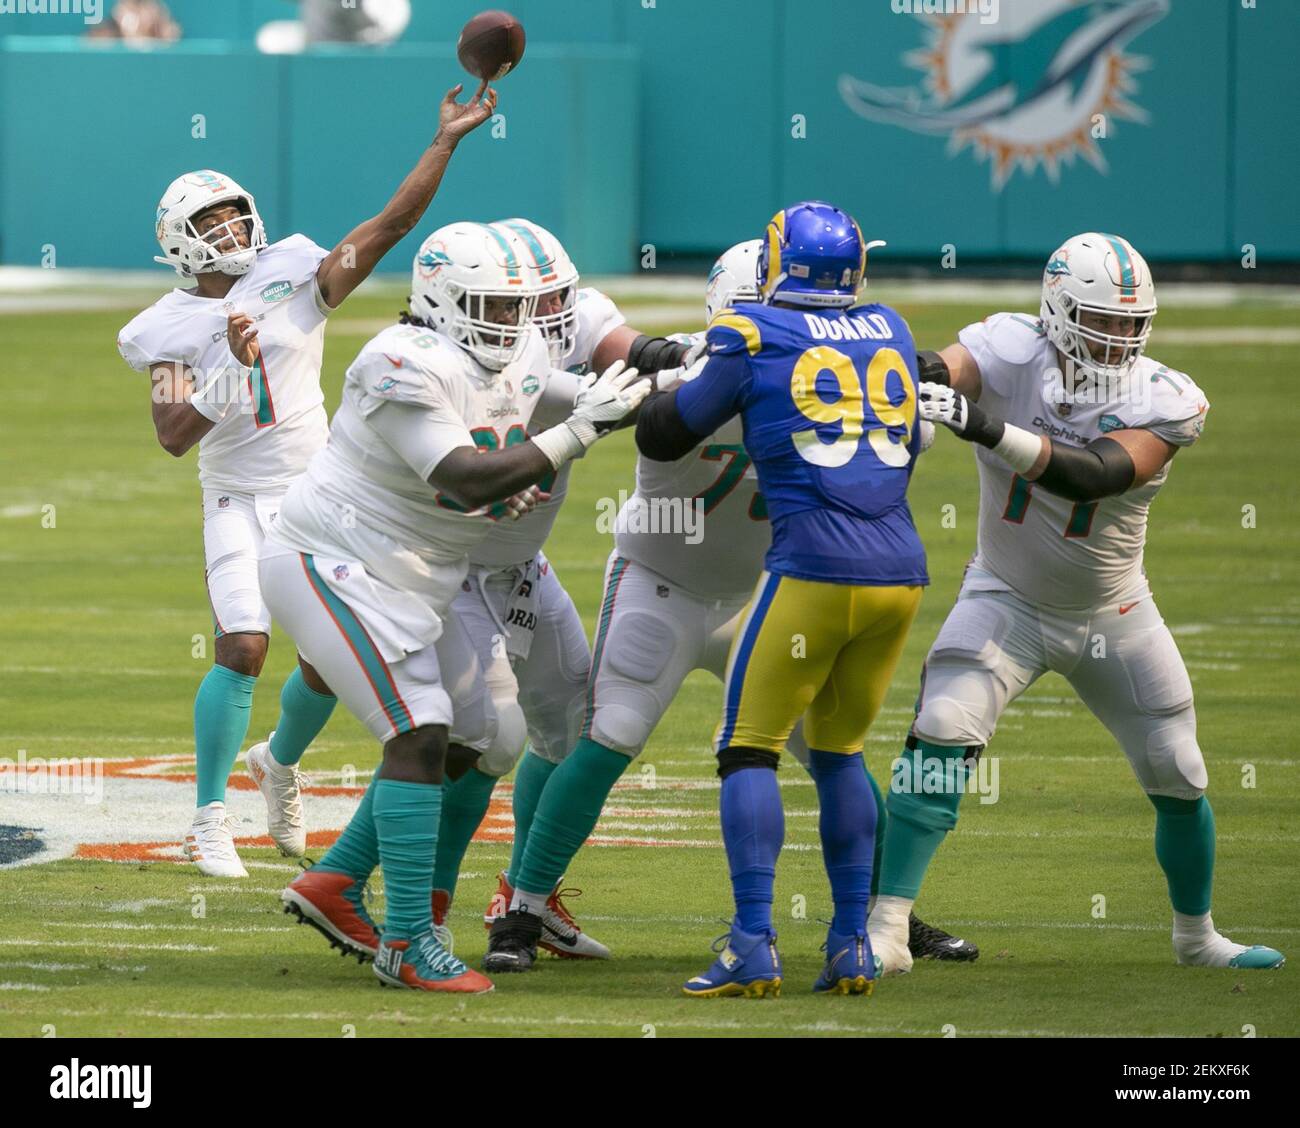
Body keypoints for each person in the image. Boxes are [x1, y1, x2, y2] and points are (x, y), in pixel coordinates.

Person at [868, 232, 1284, 974]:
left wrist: (984, 425)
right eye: (1104, 319)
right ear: (1057, 311)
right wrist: (905, 369)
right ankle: (888, 928)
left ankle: (1197, 937)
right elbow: (944, 367)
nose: (1119, 337)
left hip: (1114, 611)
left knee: (1179, 769)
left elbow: (1093, 474)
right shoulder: (1009, 345)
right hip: (1005, 595)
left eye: (1131, 322)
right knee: (939, 733)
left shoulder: (1165, 398)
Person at [115, 83, 498, 876]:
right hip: (237, 497)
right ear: (178, 243)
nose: (230, 228)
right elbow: (171, 436)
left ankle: (278, 762)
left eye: (232, 212)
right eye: (209, 222)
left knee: (329, 659)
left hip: (321, 494)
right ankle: (208, 817)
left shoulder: (292, 267)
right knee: (246, 645)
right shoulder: (160, 328)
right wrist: (230, 368)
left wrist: (446, 141)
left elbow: (390, 225)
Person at [260, 222, 649, 990]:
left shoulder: (517, 351)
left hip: (421, 574)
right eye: (497, 307)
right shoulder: (399, 359)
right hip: (332, 563)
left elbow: (557, 400)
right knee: (419, 728)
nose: (516, 323)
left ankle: (335, 881)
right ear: (442, 297)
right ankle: (408, 942)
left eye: (525, 307)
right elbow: (466, 475)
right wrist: (576, 432)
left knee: (493, 734)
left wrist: (690, 375)